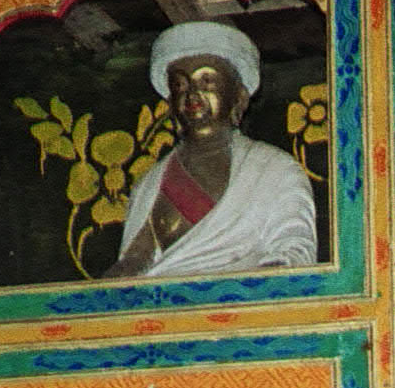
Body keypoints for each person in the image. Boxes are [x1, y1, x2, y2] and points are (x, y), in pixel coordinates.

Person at [106, 23, 319, 280]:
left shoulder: (274, 169)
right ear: (170, 103)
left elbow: (294, 252)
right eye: (180, 85)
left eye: (206, 81)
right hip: (160, 300)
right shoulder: (148, 185)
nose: (192, 95)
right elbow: (134, 261)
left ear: (238, 97)